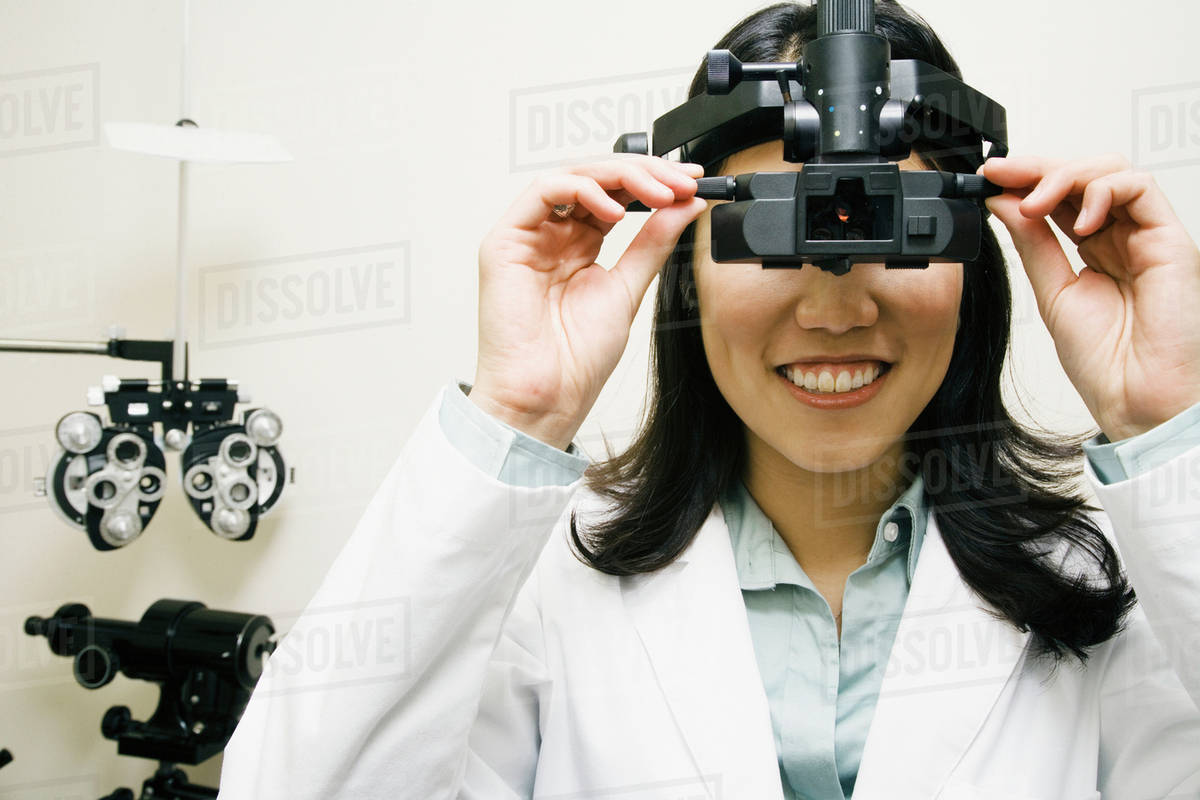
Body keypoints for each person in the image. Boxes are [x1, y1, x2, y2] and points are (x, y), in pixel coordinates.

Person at [217, 3, 1200, 798]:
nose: (835, 303)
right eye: (772, 233)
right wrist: (514, 412)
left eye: (895, 229)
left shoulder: (1097, 585)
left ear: (971, 260)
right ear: (685, 262)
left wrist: (1169, 421)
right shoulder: (545, 588)